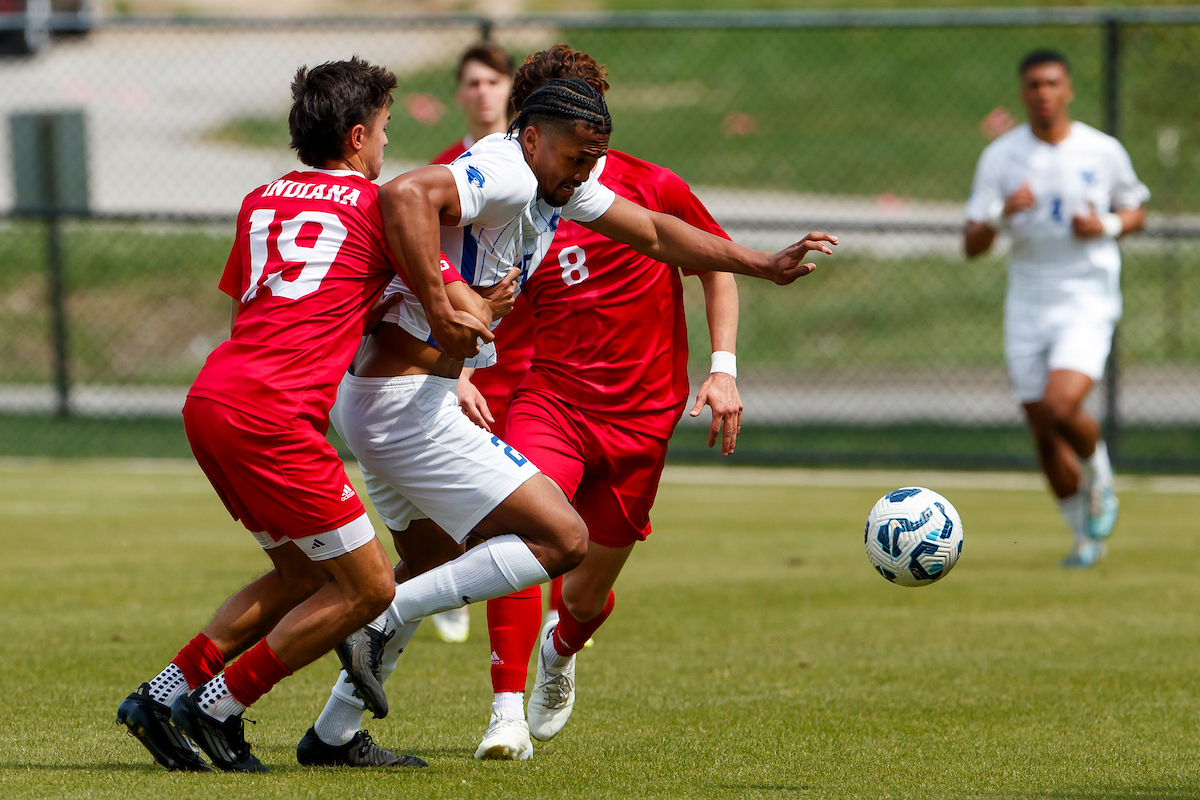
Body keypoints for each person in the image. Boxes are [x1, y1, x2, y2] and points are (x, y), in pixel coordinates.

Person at [304, 48, 835, 764]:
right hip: (434, 400)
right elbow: (400, 204)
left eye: (597, 152)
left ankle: (327, 729)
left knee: (485, 566)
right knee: (543, 538)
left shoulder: (567, 183)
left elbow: (655, 233)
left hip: (532, 407)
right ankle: (500, 712)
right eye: (581, 149)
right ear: (536, 128)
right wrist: (448, 321)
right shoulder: (506, 171)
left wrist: (762, 266)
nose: (589, 171)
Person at [113, 57, 493, 773]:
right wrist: (490, 299)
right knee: (372, 587)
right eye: (383, 132)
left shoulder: (261, 198)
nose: (387, 149)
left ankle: (161, 696)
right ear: (356, 136)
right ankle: (219, 704)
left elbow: (248, 308)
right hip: (274, 414)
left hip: (215, 397)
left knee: (299, 577)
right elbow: (464, 317)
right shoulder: (380, 207)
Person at [454, 47, 745, 761]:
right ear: (536, 126)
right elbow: (464, 279)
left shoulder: (651, 185)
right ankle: (504, 713)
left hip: (643, 419)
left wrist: (724, 369)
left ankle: (561, 649)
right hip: (553, 400)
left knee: (581, 598)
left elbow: (713, 263)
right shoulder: (513, 194)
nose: (583, 135)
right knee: (519, 538)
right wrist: (455, 366)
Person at [964, 49, 1148, 568]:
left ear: (1067, 90)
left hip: (1085, 299)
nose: (1043, 94)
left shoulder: (1101, 150)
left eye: (1052, 84)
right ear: (1023, 93)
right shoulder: (1001, 157)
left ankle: (1103, 482)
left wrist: (1107, 225)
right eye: (1034, 86)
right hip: (1027, 303)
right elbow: (971, 244)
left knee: (1060, 405)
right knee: (1043, 429)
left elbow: (1137, 209)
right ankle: (1084, 538)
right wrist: (1002, 213)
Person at [426, 41, 518, 645]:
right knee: (463, 487)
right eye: (473, 83)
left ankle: (552, 613)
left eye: (493, 81)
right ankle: (444, 580)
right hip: (466, 354)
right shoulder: (444, 169)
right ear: (461, 94)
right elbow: (425, 260)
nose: (483, 91)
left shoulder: (537, 167)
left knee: (535, 493)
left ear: (511, 89)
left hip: (528, 358)